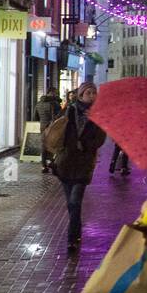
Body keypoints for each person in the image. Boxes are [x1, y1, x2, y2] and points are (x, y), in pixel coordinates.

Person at [51, 81, 106, 252]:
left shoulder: (99, 115)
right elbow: (56, 128)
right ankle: (76, 229)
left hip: (83, 164)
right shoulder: (70, 110)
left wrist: (86, 144)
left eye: (93, 93)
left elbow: (100, 139)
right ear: (81, 95)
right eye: (88, 92)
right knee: (71, 204)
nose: (91, 95)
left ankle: (72, 238)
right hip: (66, 162)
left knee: (75, 202)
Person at [36, 87, 62, 174]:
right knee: (54, 145)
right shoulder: (53, 103)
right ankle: (52, 163)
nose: (56, 94)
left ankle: (43, 165)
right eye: (55, 93)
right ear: (51, 93)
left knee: (44, 146)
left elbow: (35, 117)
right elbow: (56, 117)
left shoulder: (38, 103)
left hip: (42, 127)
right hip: (52, 127)